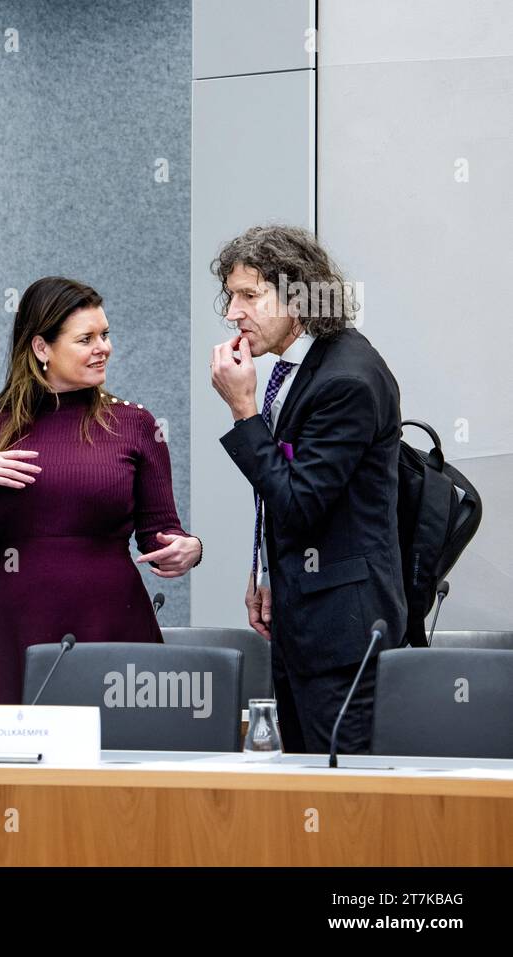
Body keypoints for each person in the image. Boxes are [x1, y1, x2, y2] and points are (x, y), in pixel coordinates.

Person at [0, 277, 200, 704]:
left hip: (112, 619)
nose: (104, 348)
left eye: (105, 334)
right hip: (12, 624)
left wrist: (190, 548)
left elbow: (161, 533)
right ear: (42, 348)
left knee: (121, 758)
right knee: (2, 762)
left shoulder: (136, 424)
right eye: (86, 339)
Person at [209, 224, 404, 755]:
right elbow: (293, 489)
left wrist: (244, 411)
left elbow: (297, 504)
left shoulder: (347, 378)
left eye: (250, 295)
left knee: (341, 804)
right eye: (231, 296)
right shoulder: (302, 367)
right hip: (304, 619)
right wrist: (271, 574)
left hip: (343, 636)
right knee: (300, 793)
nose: (232, 312)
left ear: (298, 294)